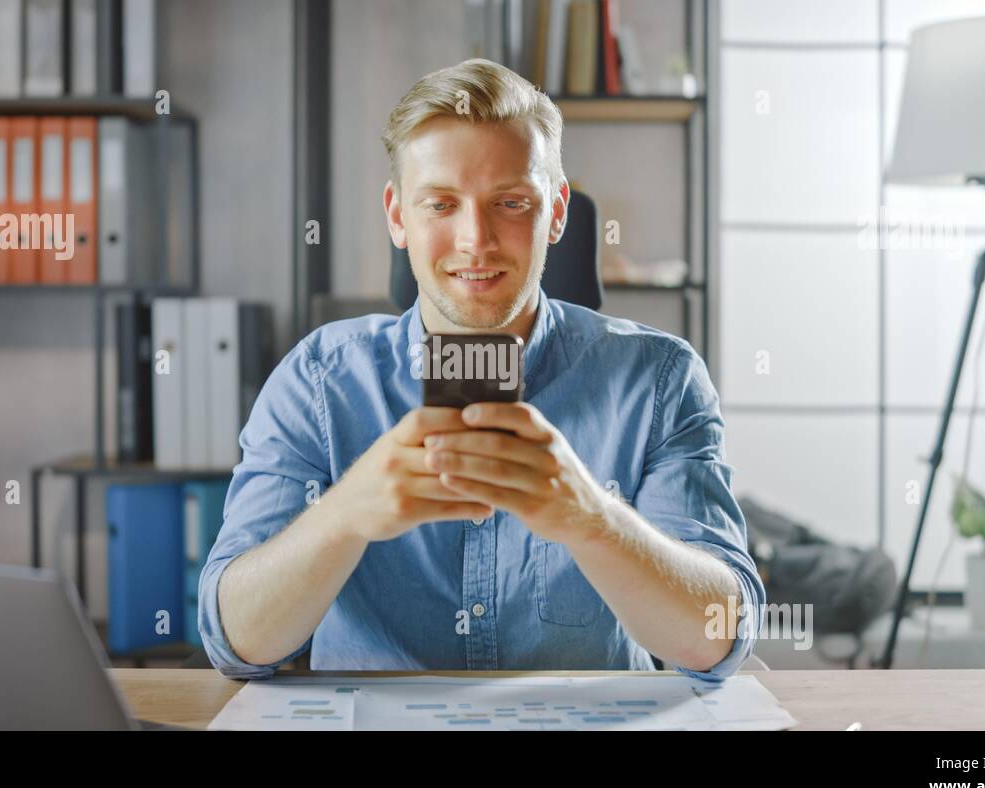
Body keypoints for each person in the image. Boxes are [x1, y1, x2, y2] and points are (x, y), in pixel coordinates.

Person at [199, 58, 764, 682]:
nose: (476, 239)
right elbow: (236, 644)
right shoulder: (318, 381)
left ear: (557, 212)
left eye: (511, 202)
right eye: (441, 204)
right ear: (397, 216)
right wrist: (347, 512)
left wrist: (592, 520)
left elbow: (720, 639)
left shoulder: (658, 380)